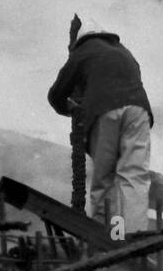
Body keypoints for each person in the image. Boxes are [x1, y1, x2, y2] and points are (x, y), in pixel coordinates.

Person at [47, 19, 154, 234]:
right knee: (133, 176)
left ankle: (105, 237)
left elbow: (56, 94)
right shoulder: (125, 53)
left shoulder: (83, 51)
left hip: (106, 113)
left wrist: (68, 108)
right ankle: (133, 236)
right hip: (139, 113)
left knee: (104, 178)